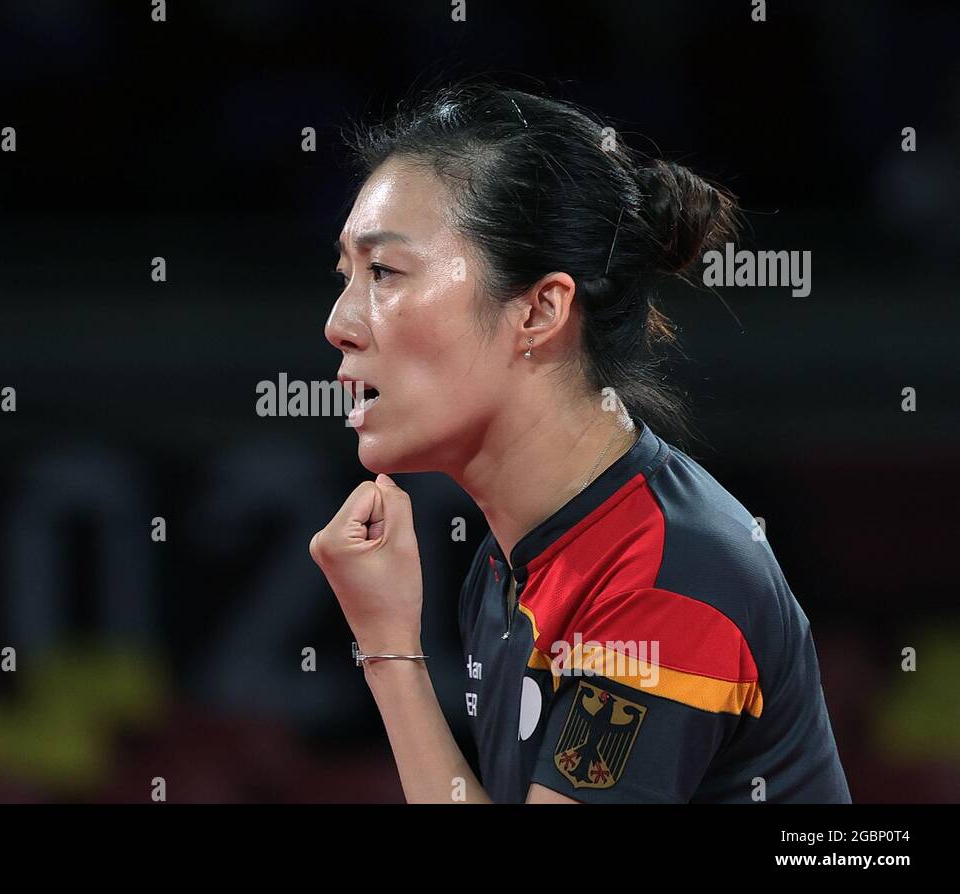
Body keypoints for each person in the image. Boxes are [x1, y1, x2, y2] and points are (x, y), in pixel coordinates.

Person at [309, 79, 850, 803]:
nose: (339, 323)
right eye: (346, 275)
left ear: (539, 309)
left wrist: (390, 653)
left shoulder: (668, 581)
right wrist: (387, 646)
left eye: (383, 272)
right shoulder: (511, 565)